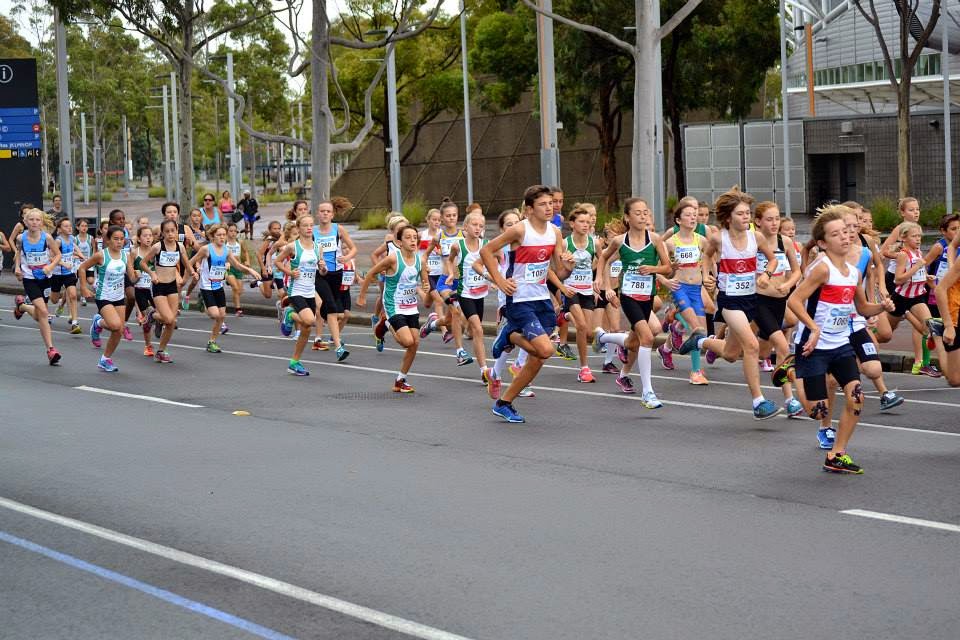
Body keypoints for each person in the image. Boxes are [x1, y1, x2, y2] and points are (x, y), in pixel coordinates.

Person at [781, 207, 896, 473]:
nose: (845, 237)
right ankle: (791, 370)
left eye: (846, 232)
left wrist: (882, 307)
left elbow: (863, 308)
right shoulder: (822, 269)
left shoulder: (854, 273)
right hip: (813, 346)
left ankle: (837, 454)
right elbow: (795, 300)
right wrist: (813, 328)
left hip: (840, 344)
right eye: (836, 234)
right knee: (817, 412)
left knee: (856, 396)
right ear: (822, 243)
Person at [678, 187, 782, 419]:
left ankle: (701, 341)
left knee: (731, 354)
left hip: (751, 300)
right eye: (741, 214)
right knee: (752, 346)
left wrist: (766, 274)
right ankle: (759, 402)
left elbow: (773, 259)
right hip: (729, 302)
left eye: (748, 213)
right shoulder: (719, 238)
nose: (746, 217)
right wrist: (706, 275)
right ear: (728, 218)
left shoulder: (756, 237)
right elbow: (706, 255)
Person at [480, 184, 576, 423]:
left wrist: (568, 266)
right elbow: (486, 251)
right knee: (545, 349)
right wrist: (500, 281)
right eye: (543, 204)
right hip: (519, 299)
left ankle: (504, 403)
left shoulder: (555, 232)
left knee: (538, 357)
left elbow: (559, 272)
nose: (549, 208)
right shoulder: (520, 230)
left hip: (542, 298)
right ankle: (510, 335)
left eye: (551, 203)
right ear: (530, 209)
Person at [594, 197, 671, 408]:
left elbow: (667, 267)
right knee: (647, 336)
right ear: (627, 217)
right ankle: (648, 392)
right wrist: (600, 280)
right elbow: (603, 258)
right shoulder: (620, 241)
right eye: (637, 213)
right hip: (628, 296)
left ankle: (604, 337)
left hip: (646, 296)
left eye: (645, 212)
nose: (643, 216)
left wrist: (653, 270)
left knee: (632, 342)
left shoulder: (655, 239)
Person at [357, 224, 430, 392]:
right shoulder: (393, 259)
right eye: (408, 237)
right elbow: (371, 273)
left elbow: (425, 287)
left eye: (415, 237)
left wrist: (428, 290)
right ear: (399, 241)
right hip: (393, 305)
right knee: (406, 341)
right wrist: (362, 295)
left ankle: (400, 380)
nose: (413, 240)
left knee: (415, 343)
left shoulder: (421, 260)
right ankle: (386, 322)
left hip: (410, 306)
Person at [752, 202, 803, 416]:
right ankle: (791, 399)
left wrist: (788, 284)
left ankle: (703, 342)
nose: (774, 223)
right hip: (759, 301)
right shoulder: (752, 242)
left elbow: (797, 271)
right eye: (769, 219)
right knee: (783, 347)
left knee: (758, 351)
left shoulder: (786, 242)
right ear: (758, 222)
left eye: (777, 219)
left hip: (779, 302)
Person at [189, 224, 261, 353]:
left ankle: (212, 342)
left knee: (221, 316)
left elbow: (237, 265)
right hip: (206, 287)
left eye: (224, 235)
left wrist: (251, 270)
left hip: (218, 286)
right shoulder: (206, 249)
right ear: (212, 236)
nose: (222, 237)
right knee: (215, 315)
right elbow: (191, 261)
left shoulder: (226, 251)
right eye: (219, 235)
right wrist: (194, 271)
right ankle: (203, 301)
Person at [662, 197, 710, 384]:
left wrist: (707, 275)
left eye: (694, 215)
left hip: (696, 289)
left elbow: (711, 258)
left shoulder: (702, 240)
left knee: (701, 333)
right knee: (696, 329)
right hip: (679, 287)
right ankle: (696, 372)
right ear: (678, 220)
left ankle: (676, 325)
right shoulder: (671, 243)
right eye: (688, 215)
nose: (693, 218)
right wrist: (665, 280)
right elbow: (657, 267)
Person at [138, 219, 197, 363]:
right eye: (167, 231)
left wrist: (191, 273)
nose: (171, 234)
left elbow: (186, 263)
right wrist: (152, 274)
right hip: (159, 286)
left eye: (173, 230)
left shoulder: (180, 247)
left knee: (171, 322)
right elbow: (142, 263)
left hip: (171, 286)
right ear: (162, 233)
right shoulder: (158, 247)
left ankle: (161, 351)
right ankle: (152, 315)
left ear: (177, 231)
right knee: (168, 318)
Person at [274, 215, 326, 376]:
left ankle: (294, 362)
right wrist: (289, 272)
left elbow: (322, 271)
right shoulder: (292, 247)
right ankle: (289, 313)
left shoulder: (318, 248)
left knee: (306, 328)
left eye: (311, 225)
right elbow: (276, 262)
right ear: (299, 228)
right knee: (310, 320)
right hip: (296, 290)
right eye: (305, 225)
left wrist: (323, 268)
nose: (309, 228)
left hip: (310, 291)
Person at [551, 205, 599, 383]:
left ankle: (566, 314)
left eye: (588, 222)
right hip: (571, 289)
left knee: (587, 331)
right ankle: (584, 368)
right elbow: (558, 272)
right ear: (572, 224)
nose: (585, 225)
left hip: (587, 289)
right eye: (581, 222)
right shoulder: (564, 243)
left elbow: (603, 261)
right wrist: (567, 266)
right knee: (580, 325)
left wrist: (599, 279)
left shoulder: (595, 243)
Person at [11, 208, 63, 365]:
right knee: (44, 312)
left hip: (45, 278)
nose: (34, 222)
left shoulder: (46, 238)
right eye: (31, 219)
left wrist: (50, 266)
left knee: (39, 315)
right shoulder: (21, 238)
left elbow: (58, 255)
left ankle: (22, 307)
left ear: (42, 222)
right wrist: (18, 268)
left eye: (37, 220)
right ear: (25, 222)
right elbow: (19, 252)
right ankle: (51, 349)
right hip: (29, 278)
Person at [77, 225, 131, 372]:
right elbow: (82, 268)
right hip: (104, 296)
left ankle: (105, 359)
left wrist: (142, 274)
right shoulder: (101, 255)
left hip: (119, 296)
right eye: (115, 239)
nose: (119, 242)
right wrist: (83, 288)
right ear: (108, 240)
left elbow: (132, 276)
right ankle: (98, 322)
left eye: (121, 239)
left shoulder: (126, 255)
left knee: (119, 330)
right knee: (114, 325)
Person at [311, 200, 358, 361]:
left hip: (337, 274)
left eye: (328, 211)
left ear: (332, 214)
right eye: (322, 211)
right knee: (331, 307)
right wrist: (316, 262)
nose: (325, 214)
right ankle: (338, 347)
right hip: (319, 274)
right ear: (318, 213)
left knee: (332, 311)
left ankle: (294, 313)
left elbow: (353, 248)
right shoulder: (312, 231)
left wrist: (347, 257)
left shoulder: (338, 229)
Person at [49, 217, 84, 334]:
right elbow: (50, 257)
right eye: (66, 226)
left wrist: (80, 255)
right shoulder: (58, 241)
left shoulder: (72, 238)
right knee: (53, 299)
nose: (69, 228)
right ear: (59, 229)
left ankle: (75, 323)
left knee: (73, 295)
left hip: (69, 273)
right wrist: (63, 263)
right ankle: (59, 303)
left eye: (70, 226)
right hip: (57, 274)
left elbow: (75, 248)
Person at [130, 226, 158, 357]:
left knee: (159, 316)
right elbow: (129, 276)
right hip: (140, 290)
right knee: (150, 315)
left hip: (155, 289)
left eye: (150, 235)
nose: (148, 238)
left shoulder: (156, 251)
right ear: (139, 239)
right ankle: (148, 346)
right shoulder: (134, 253)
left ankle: (157, 323)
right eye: (145, 235)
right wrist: (135, 276)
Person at [224, 222, 251, 318]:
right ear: (227, 232)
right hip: (228, 268)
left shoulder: (240, 241)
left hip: (238, 267)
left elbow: (245, 252)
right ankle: (238, 309)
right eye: (231, 231)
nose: (233, 233)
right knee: (235, 287)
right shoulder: (224, 242)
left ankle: (236, 306)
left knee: (239, 290)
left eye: (235, 231)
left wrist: (247, 261)